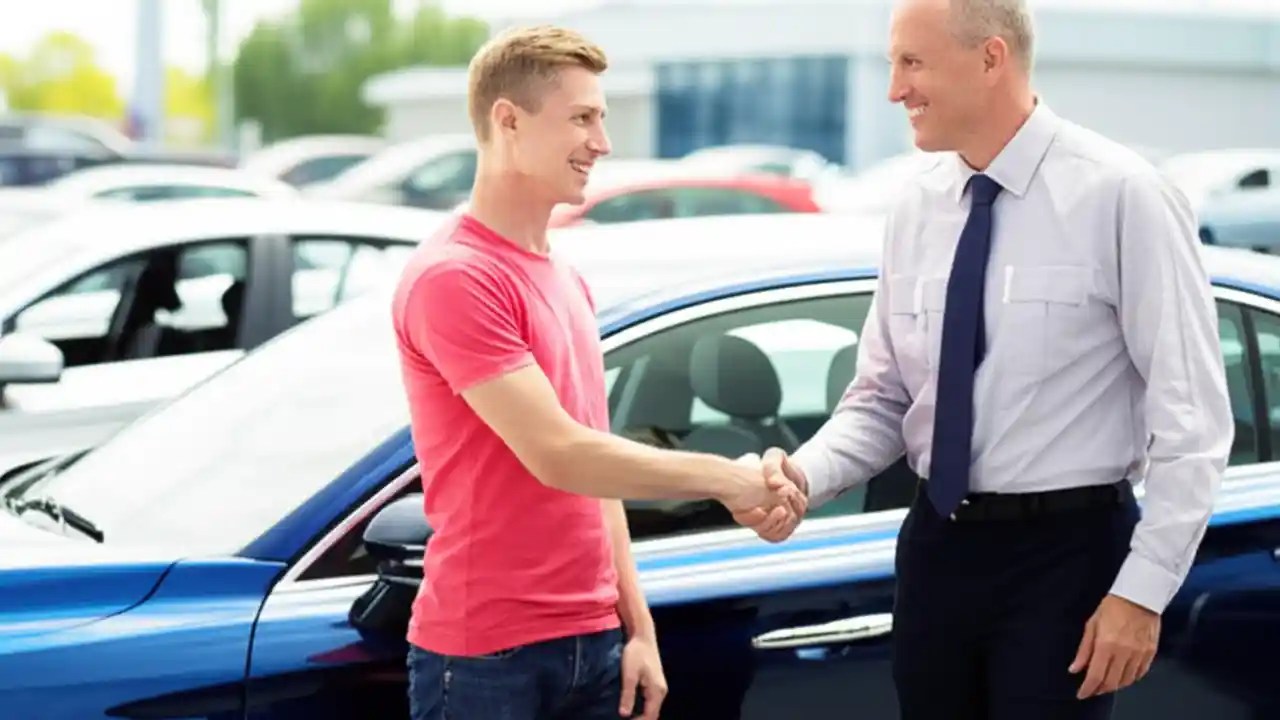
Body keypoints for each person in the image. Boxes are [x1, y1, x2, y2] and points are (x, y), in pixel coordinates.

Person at [736, 0, 1233, 717]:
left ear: (991, 58)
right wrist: (801, 478)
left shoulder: (1124, 195)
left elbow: (1192, 420)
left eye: (913, 63)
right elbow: (883, 400)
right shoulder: (917, 208)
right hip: (938, 550)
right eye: (891, 65)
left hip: (1068, 557)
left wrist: (1141, 592)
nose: (894, 90)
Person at [389, 25, 804, 720]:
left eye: (601, 118)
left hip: (592, 645)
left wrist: (636, 626)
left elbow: (597, 468)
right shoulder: (455, 277)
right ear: (508, 121)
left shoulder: (563, 277)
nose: (602, 143)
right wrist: (727, 478)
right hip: (488, 659)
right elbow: (559, 454)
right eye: (582, 117)